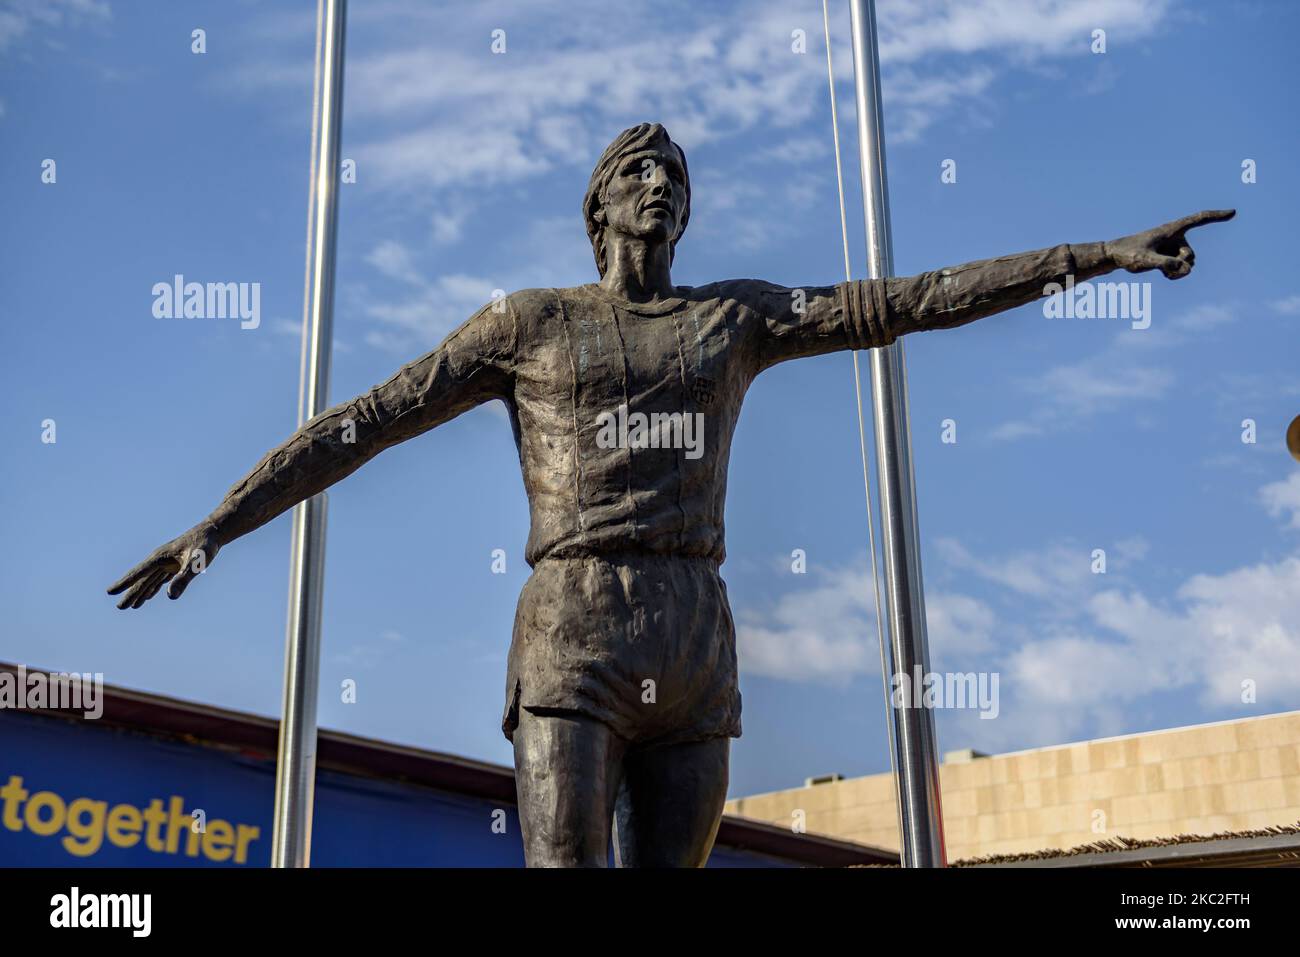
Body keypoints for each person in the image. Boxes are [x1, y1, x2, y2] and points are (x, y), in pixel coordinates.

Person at [109, 122, 1233, 867]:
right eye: (638, 173)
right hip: (575, 631)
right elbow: (362, 424)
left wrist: (1092, 255)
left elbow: (910, 299)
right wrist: (217, 525)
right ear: (597, 207)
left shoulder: (732, 318)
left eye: (676, 177)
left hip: (695, 634)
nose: (661, 186)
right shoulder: (527, 325)